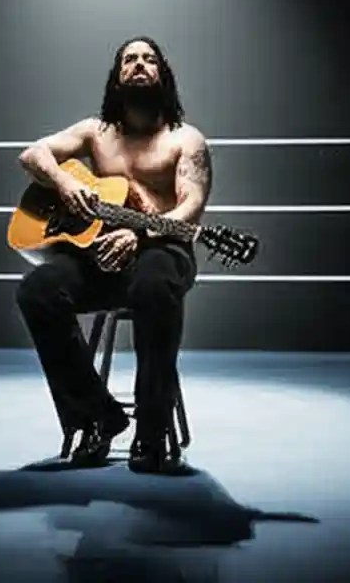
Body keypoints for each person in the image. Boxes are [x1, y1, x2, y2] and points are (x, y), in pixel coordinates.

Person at [15, 36, 212, 473]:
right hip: (100, 255)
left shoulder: (186, 140)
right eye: (129, 59)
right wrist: (67, 185)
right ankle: (97, 418)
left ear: (162, 73)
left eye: (148, 59)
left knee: (155, 282)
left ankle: (153, 427)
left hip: (163, 251)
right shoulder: (95, 133)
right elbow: (33, 155)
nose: (139, 65)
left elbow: (189, 211)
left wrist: (139, 238)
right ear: (117, 75)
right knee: (37, 290)